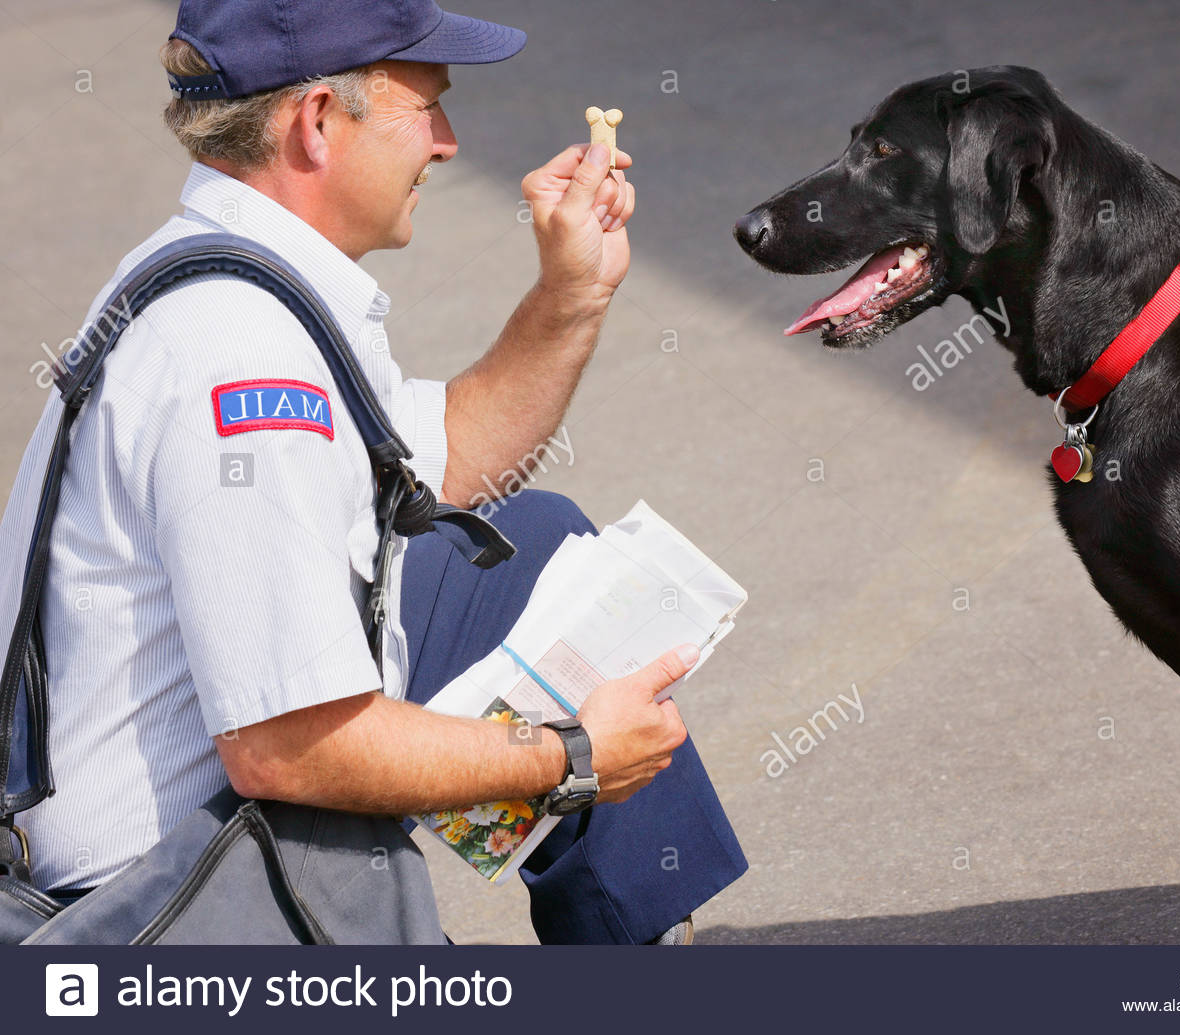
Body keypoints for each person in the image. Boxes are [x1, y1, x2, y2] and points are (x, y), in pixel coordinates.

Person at [0, 0, 746, 944]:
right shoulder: (245, 361)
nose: (447, 141)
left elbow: (449, 462)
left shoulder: (240, 266)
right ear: (316, 122)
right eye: (426, 106)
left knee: (533, 545)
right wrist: (572, 754)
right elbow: (292, 747)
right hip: (156, 912)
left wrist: (572, 293)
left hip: (221, 801)